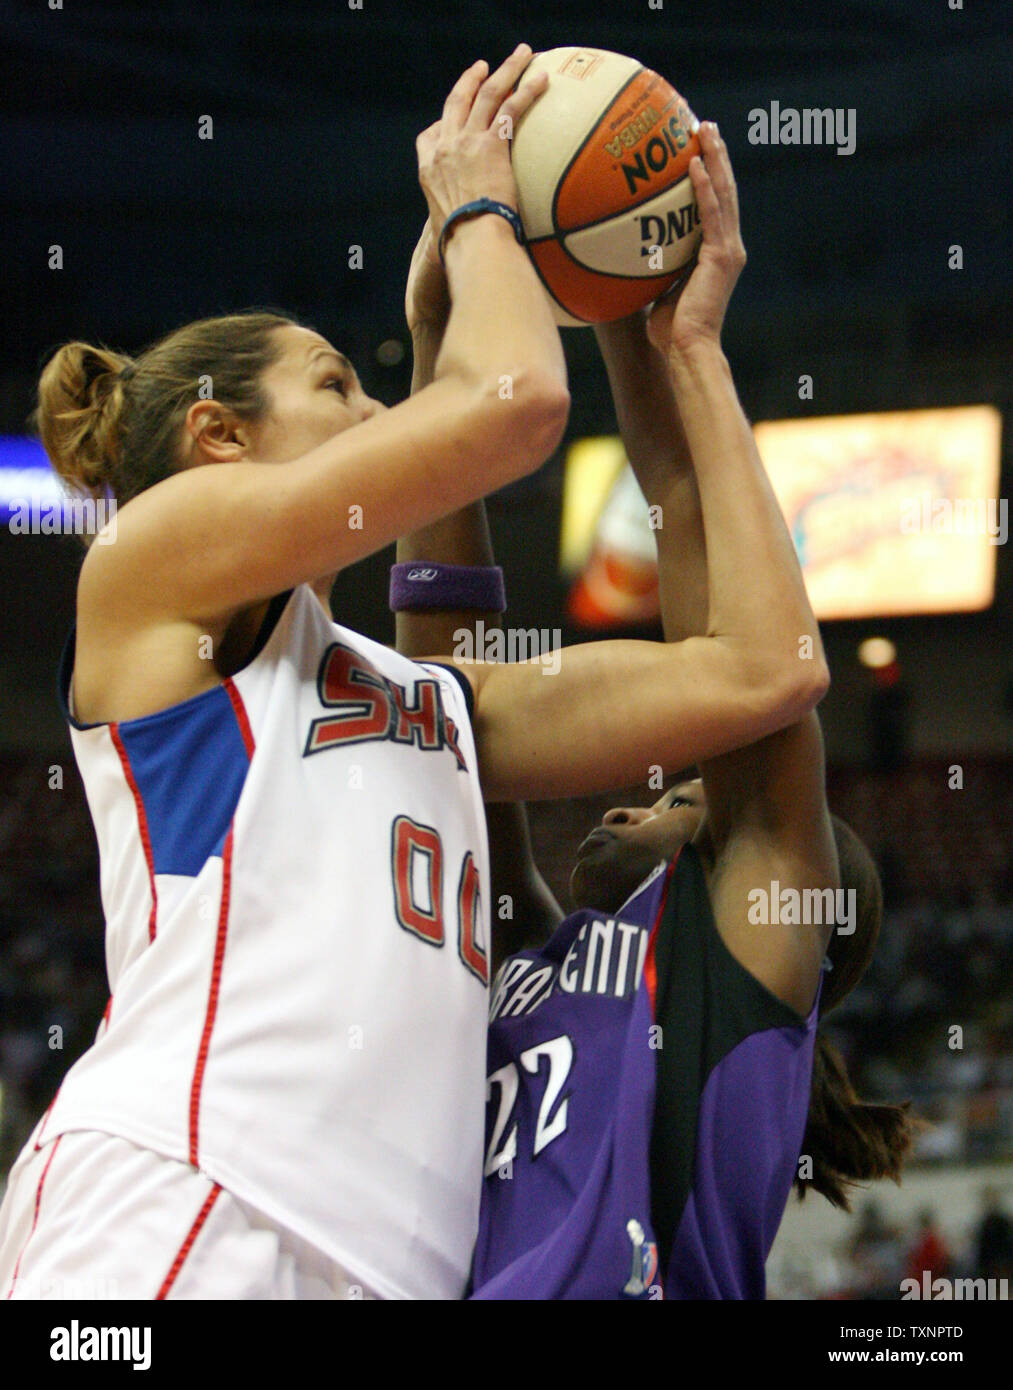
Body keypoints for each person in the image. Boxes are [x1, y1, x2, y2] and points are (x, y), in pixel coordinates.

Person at [0, 55, 825, 1301]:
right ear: (218, 435)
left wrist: (687, 345)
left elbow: (765, 668)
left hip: (398, 1270)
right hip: (195, 1186)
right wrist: (485, 209)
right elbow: (511, 404)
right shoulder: (146, 568)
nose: (382, 406)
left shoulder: (440, 705)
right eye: (339, 383)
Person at [395, 121, 916, 1299]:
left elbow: (726, 624)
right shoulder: (547, 956)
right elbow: (446, 705)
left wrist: (683, 348)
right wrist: (441, 353)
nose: (644, 790)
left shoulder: (740, 960)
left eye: (682, 792)